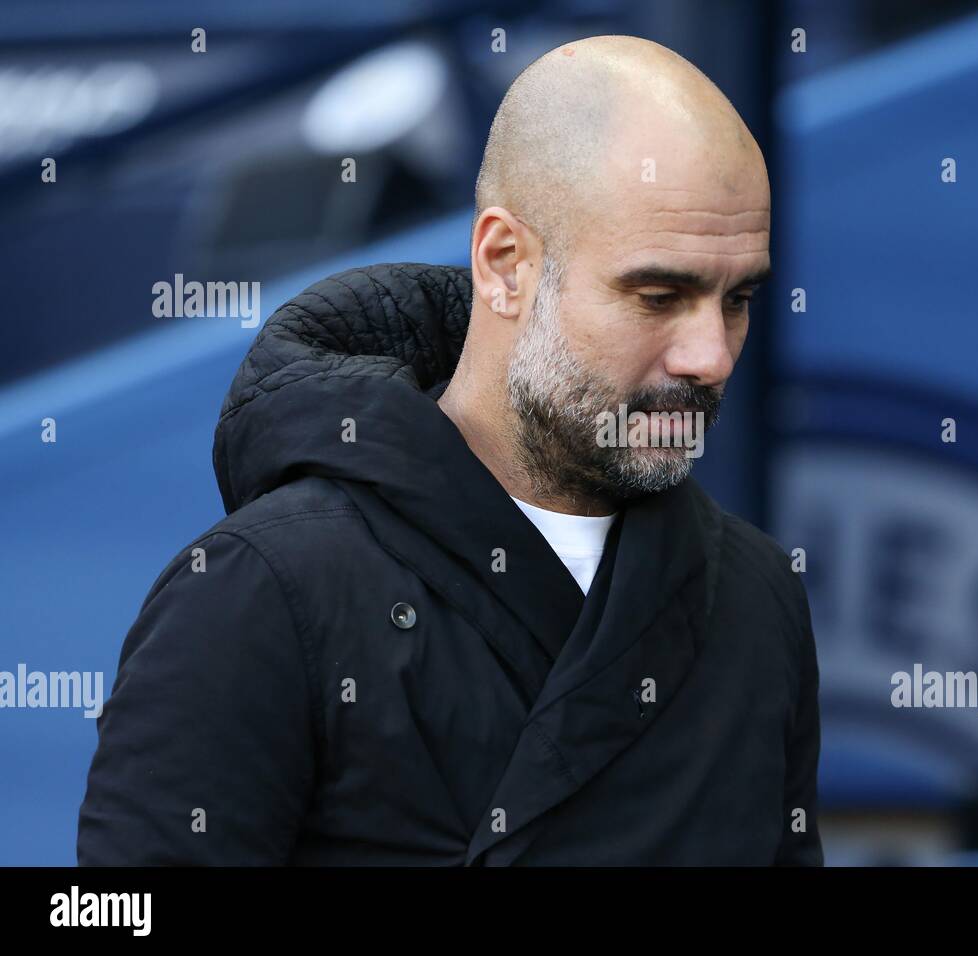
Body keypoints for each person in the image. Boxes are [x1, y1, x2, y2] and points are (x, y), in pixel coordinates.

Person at [77, 35, 823, 866]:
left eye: (739, 299)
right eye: (658, 295)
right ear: (505, 264)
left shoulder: (757, 599)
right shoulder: (262, 593)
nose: (711, 356)